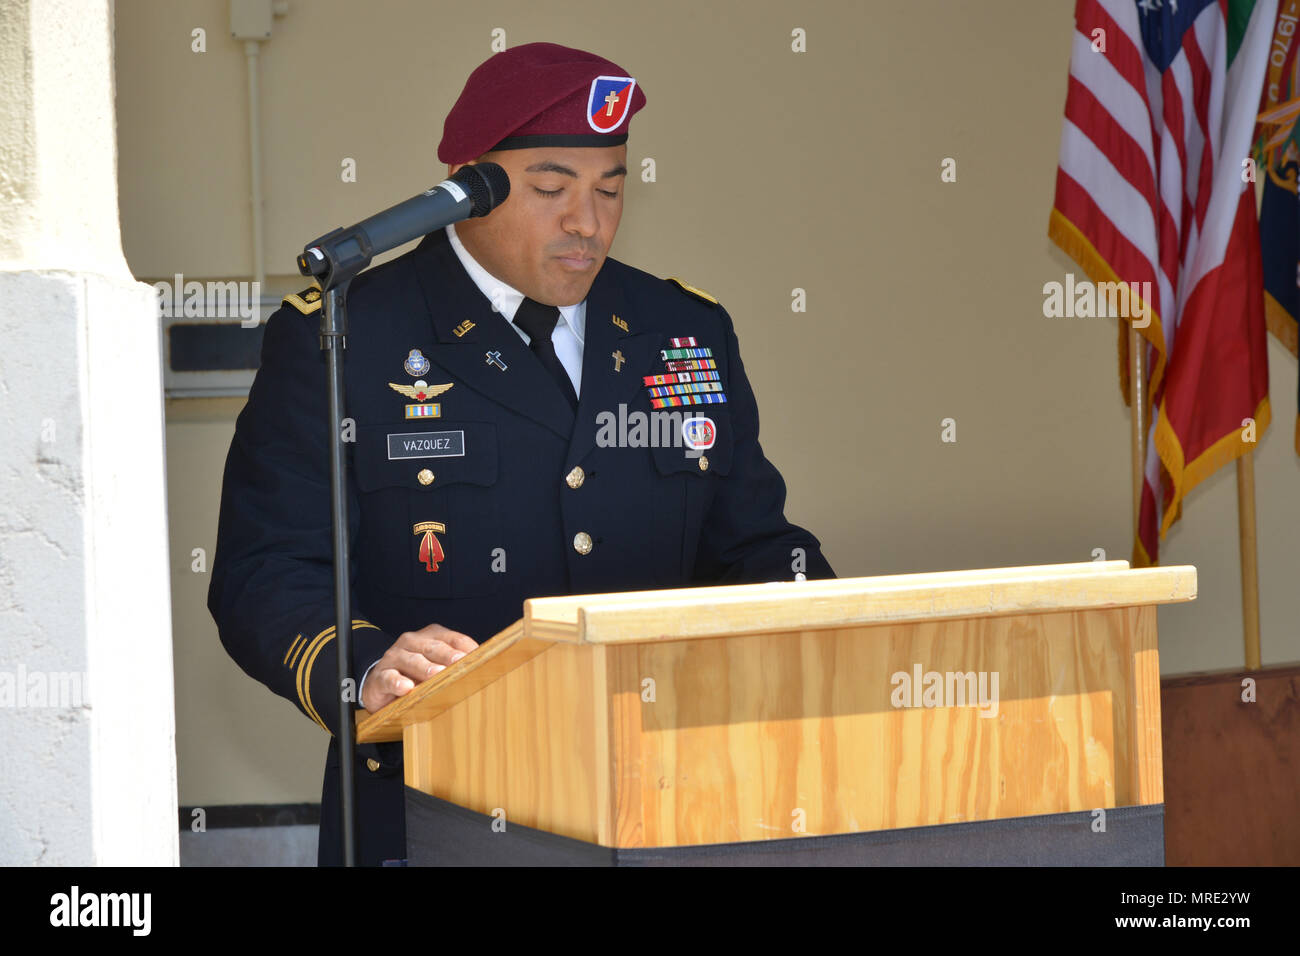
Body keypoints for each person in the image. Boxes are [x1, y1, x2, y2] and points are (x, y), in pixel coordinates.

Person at [208, 41, 834, 867]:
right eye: (550, 189)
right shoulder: (348, 335)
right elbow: (266, 570)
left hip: (666, 798)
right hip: (438, 798)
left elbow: (750, 541)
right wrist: (363, 666)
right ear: (469, 188)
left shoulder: (681, 330)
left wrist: (825, 618)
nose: (589, 220)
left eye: (611, 188)